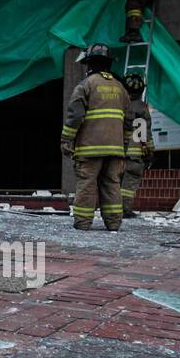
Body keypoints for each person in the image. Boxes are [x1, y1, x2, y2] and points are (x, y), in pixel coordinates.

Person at [61, 43, 131, 231]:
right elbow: (129, 120)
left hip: (90, 149)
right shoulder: (121, 88)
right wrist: (123, 145)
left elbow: (75, 116)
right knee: (112, 184)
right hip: (115, 149)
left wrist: (66, 140)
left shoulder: (86, 86)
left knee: (87, 183)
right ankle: (114, 223)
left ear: (89, 64)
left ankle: (83, 222)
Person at [120, 73, 152, 218]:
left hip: (118, 151)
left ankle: (111, 208)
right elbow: (146, 135)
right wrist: (150, 152)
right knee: (129, 183)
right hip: (135, 155)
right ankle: (124, 209)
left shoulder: (120, 106)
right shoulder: (143, 109)